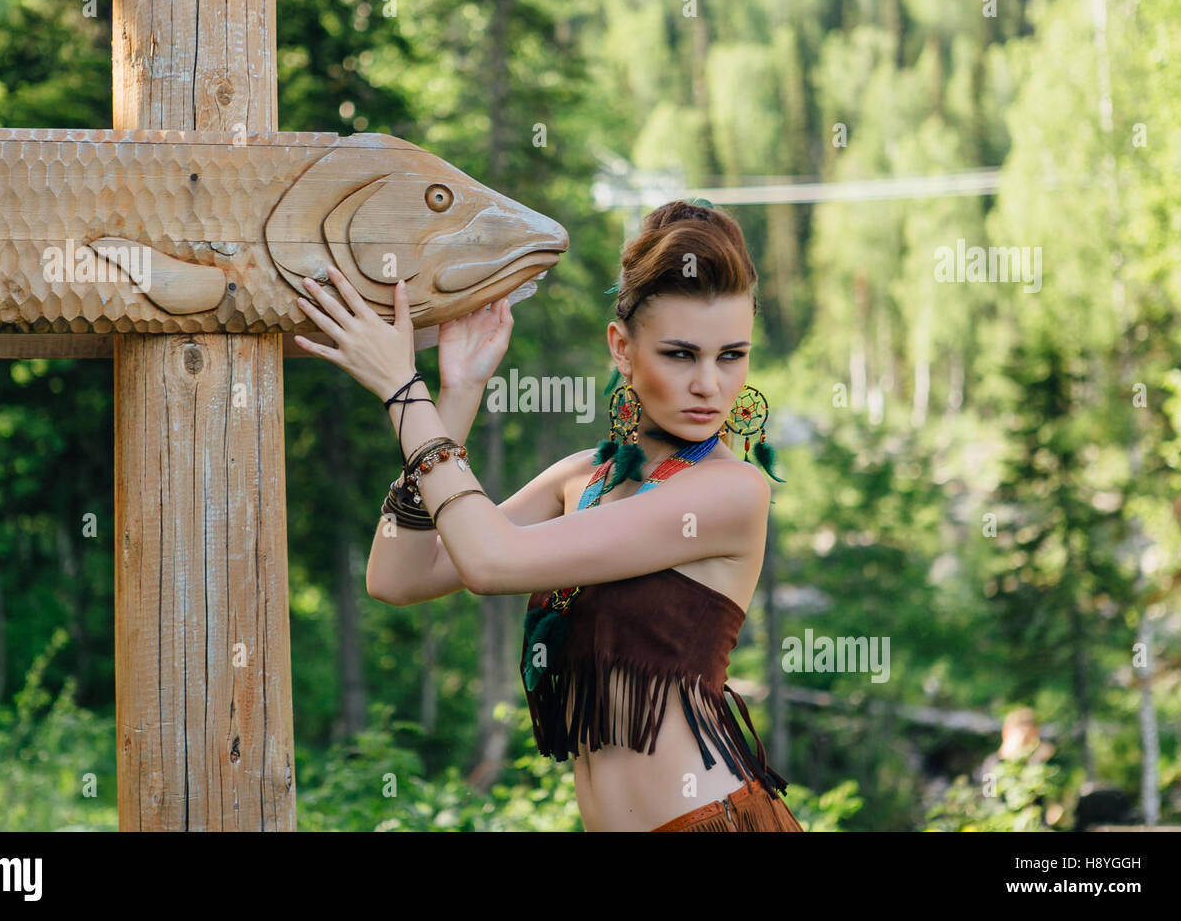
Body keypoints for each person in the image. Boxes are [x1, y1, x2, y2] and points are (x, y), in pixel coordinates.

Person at [295, 199, 802, 832]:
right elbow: (400, 574)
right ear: (622, 348)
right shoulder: (581, 477)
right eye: (680, 355)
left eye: (731, 355)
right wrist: (457, 396)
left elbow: (491, 560)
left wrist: (404, 393)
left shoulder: (730, 491)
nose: (709, 384)